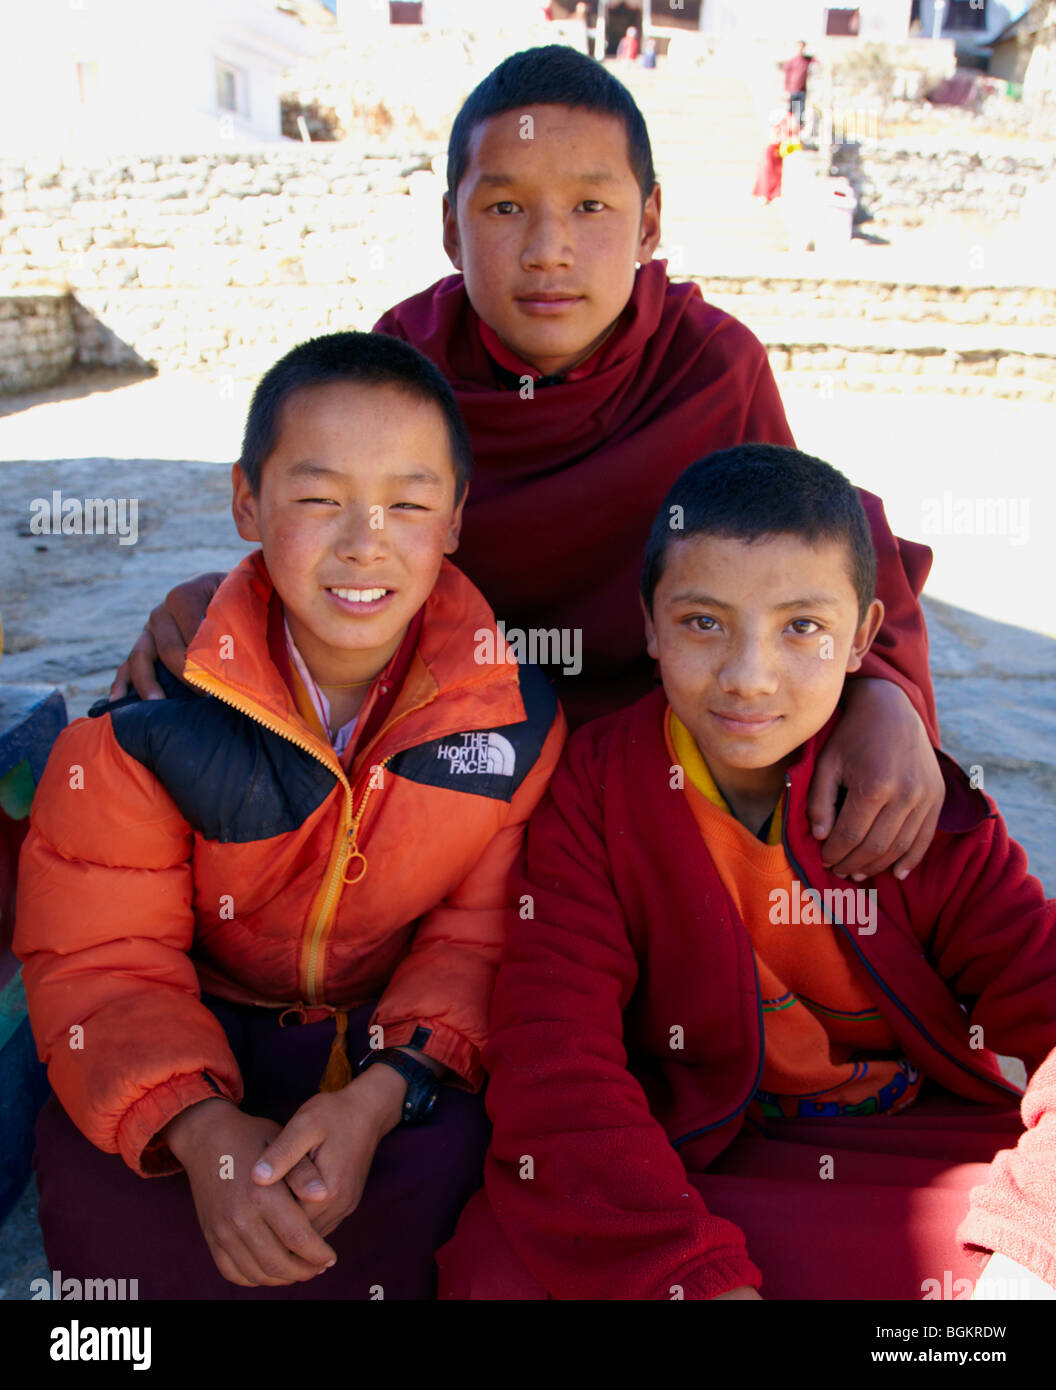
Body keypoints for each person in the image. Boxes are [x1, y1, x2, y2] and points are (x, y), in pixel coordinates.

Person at [114, 45, 945, 915]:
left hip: (668, 742)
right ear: (450, 226)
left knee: (898, 803)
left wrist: (888, 693)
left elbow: (813, 537)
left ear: (649, 221)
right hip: (456, 750)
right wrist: (226, 603)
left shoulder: (708, 365)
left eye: (591, 205)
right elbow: (344, 537)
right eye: (505, 206)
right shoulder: (406, 367)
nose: (549, 250)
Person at [13, 331, 565, 1300]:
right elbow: (101, 960)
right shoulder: (147, 727)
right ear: (246, 501)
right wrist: (198, 1124)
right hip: (190, 1017)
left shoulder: (512, 724)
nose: (365, 540)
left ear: (456, 520)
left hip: (385, 1048)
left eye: (408, 502)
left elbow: (479, 943)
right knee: (107, 1201)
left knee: (452, 1182)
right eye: (318, 498)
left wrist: (381, 1098)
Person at [435, 445, 1056, 1300]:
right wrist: (688, 1276)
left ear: (864, 637)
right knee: (494, 1268)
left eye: (802, 626)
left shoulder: (909, 801)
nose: (748, 677)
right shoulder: (599, 785)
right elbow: (552, 1047)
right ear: (648, 624)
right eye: (702, 623)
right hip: (704, 1146)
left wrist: (1031, 1251)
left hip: (911, 1149)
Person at [783, 39, 816, 128]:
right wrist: (786, 90)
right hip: (792, 90)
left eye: (802, 47)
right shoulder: (791, 62)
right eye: (799, 47)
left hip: (802, 91)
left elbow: (817, 62)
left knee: (800, 115)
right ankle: (788, 132)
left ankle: (797, 134)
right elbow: (786, 76)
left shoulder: (807, 60)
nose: (800, 49)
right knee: (791, 112)